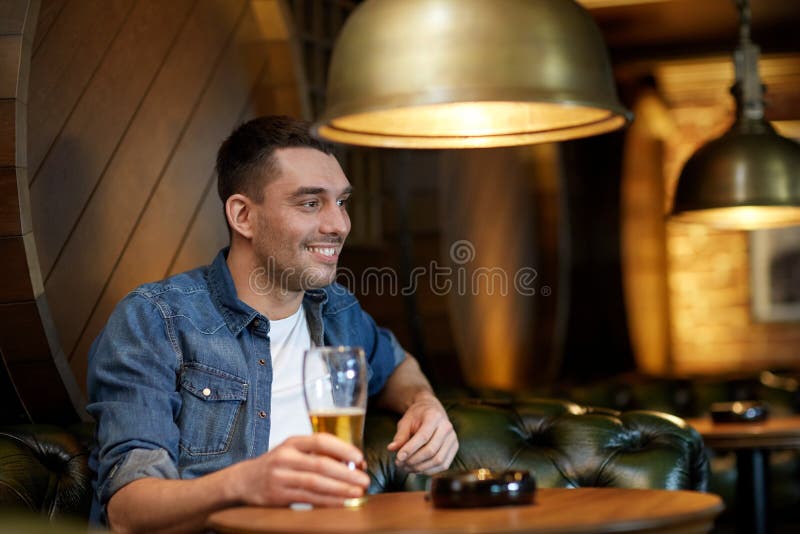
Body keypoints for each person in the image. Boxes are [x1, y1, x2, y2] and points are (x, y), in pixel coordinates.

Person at [87, 115, 458, 533]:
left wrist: (423, 403)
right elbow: (127, 511)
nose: (338, 224)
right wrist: (245, 483)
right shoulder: (155, 320)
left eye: (342, 202)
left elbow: (396, 364)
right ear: (243, 215)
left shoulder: (337, 310)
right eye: (310, 203)